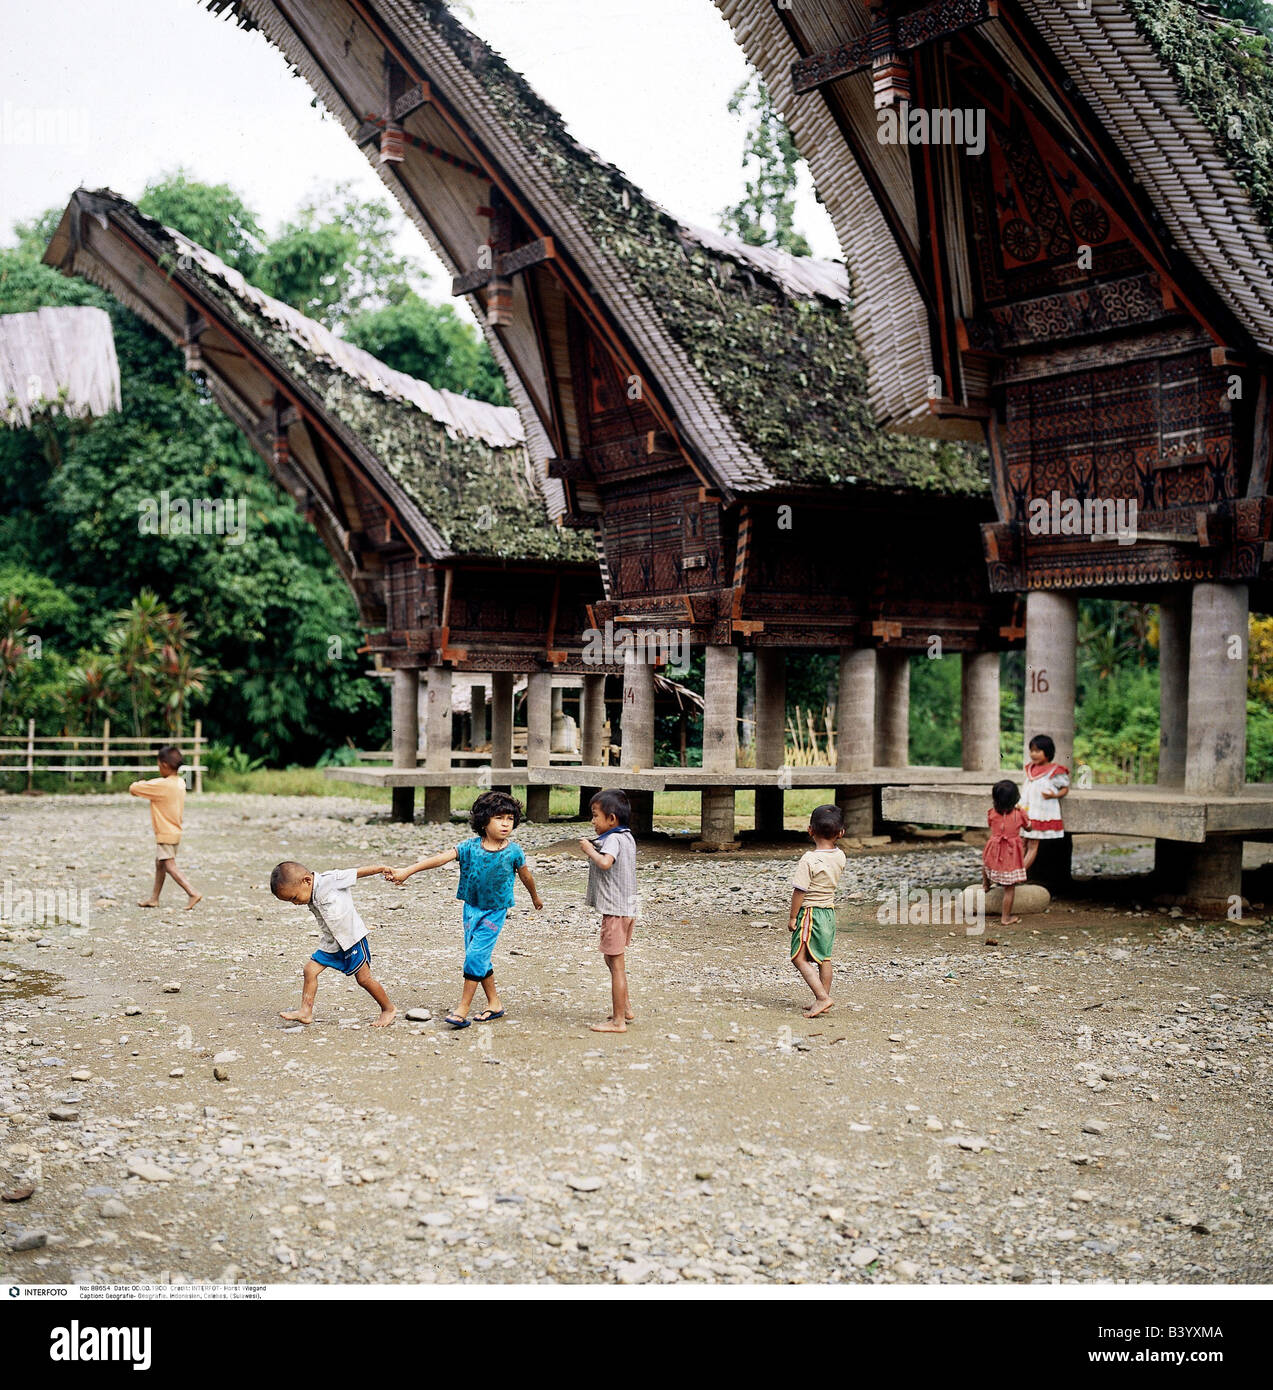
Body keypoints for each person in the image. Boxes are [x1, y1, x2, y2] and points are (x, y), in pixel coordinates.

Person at [387, 790, 542, 1028]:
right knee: (479, 957)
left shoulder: (514, 852)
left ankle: (462, 1009)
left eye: (510, 819)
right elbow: (440, 859)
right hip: (471, 909)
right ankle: (494, 1003)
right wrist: (407, 871)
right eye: (499, 818)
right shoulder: (469, 847)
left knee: (474, 956)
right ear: (483, 820)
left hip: (495, 911)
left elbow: (526, 876)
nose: (505, 824)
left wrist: (535, 898)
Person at [271, 860, 397, 1027]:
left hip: (352, 940)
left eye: (294, 898)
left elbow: (357, 872)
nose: (295, 903)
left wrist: (382, 868)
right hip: (331, 943)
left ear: (307, 881)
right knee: (310, 970)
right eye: (290, 901)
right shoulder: (308, 892)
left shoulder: (330, 880)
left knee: (364, 979)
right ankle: (305, 1011)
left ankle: (388, 1009)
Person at [578, 789, 638, 1034]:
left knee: (616, 964)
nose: (593, 822)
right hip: (628, 907)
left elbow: (605, 862)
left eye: (595, 816)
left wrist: (589, 850)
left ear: (611, 819)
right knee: (612, 959)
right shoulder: (626, 836)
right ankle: (626, 1008)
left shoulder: (612, 840)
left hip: (615, 909)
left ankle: (618, 1021)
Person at [788, 803, 846, 1018]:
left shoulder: (809, 860)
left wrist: (793, 916)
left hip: (811, 913)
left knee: (798, 958)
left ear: (810, 830)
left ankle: (822, 997)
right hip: (829, 913)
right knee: (825, 958)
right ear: (841, 833)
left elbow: (799, 891)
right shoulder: (840, 856)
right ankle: (821, 997)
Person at [130, 746, 202, 910]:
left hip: (165, 833)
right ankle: (154, 898)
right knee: (160, 863)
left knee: (168, 864)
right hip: (175, 831)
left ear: (163, 764)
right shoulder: (180, 783)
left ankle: (192, 892)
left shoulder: (162, 785)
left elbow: (133, 788)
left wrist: (144, 782)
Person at [983, 779, 1031, 926]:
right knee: (1009, 889)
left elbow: (990, 824)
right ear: (1016, 798)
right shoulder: (1019, 813)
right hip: (1010, 852)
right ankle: (1005, 918)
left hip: (994, 846)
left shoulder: (991, 813)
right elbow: (1029, 827)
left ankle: (985, 884)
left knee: (986, 863)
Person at [1021, 734, 1070, 872]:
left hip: (1042, 812)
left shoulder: (1055, 771)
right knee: (1021, 842)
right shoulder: (1030, 769)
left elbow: (1065, 789)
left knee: (1033, 844)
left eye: (1038, 751)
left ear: (1047, 752)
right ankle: (1013, 870)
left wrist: (1054, 795)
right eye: (1032, 751)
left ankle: (1018, 874)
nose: (1033, 754)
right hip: (1027, 810)